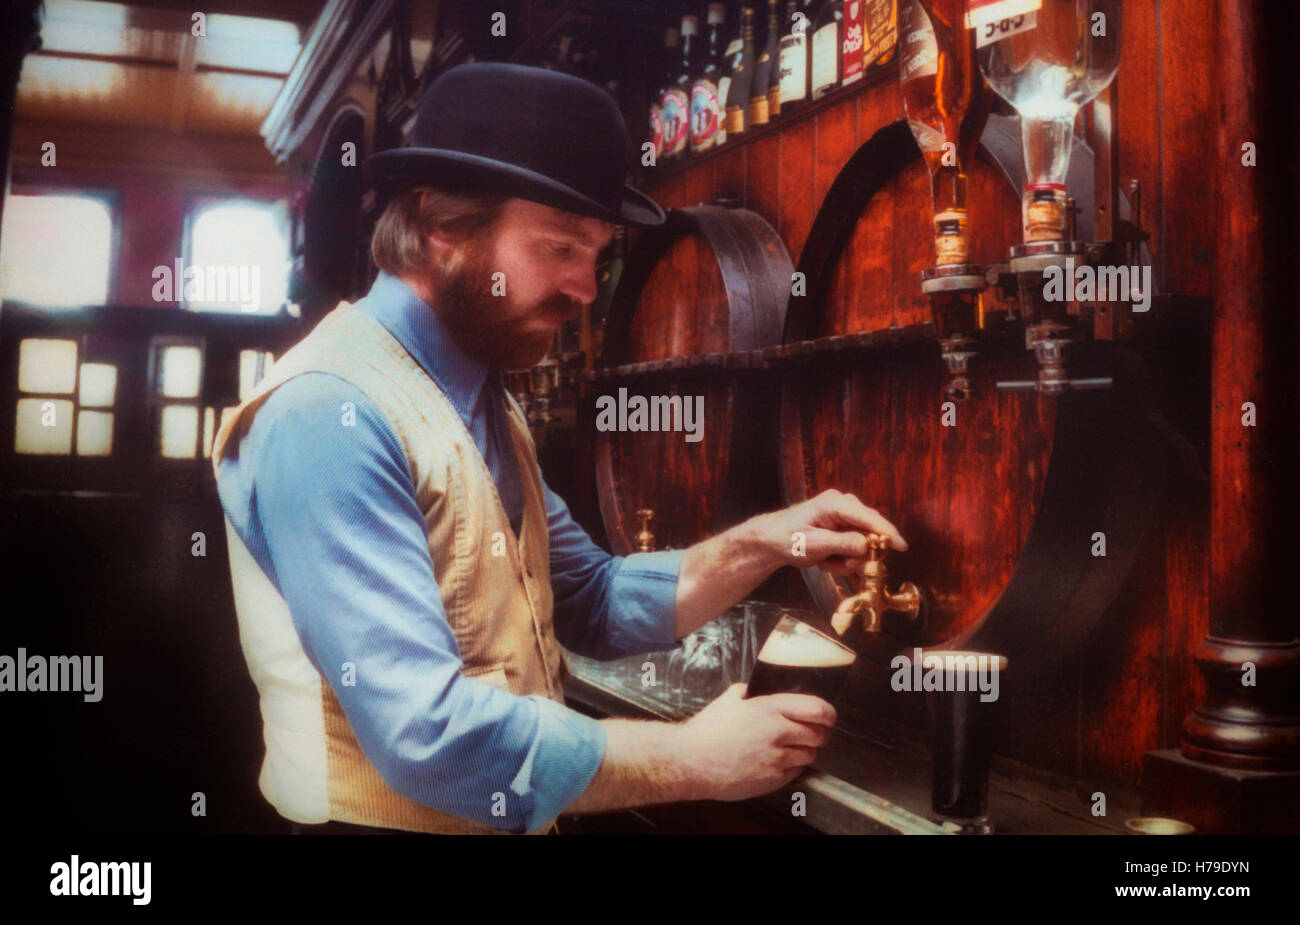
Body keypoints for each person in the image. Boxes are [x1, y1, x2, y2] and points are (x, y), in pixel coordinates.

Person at [211, 62, 906, 835]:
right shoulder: (328, 410)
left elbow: (592, 599)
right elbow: (425, 734)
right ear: (441, 223)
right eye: (560, 249)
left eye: (598, 257)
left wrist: (769, 541)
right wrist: (693, 758)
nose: (584, 288)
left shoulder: (481, 399)